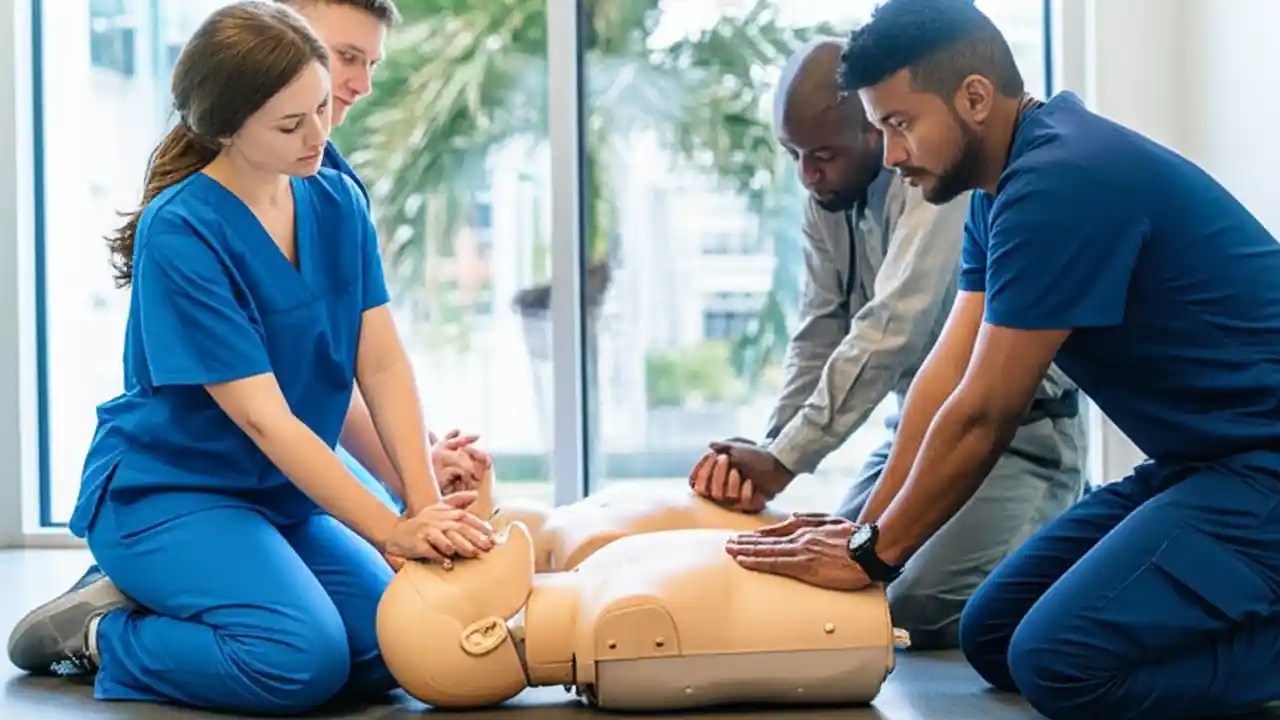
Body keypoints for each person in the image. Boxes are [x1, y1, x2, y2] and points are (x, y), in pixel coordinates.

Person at [726, 1, 1280, 718]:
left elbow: (986, 411)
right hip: (1200, 464)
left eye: (898, 124)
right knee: (995, 635)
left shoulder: (1062, 180)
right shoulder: (1001, 190)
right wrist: (865, 527)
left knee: (1058, 663)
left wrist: (873, 557)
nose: (891, 154)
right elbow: (943, 380)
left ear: (975, 98)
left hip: (1262, 466)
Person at [5, 2, 495, 714]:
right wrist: (390, 529)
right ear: (226, 128)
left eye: (323, 108)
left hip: (278, 499)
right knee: (300, 659)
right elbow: (265, 420)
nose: (320, 135)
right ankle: (106, 631)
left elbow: (381, 365)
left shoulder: (336, 201)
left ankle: (208, 598)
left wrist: (422, 506)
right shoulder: (182, 232)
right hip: (172, 497)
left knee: (399, 643)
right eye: (292, 124)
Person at [689, 37, 1085, 649]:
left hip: (1019, 439)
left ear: (873, 132)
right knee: (821, 569)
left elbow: (888, 331)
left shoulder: (938, 187)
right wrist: (770, 447)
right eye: (794, 154)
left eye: (821, 153)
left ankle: (1071, 537)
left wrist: (786, 459)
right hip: (919, 430)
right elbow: (820, 327)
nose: (807, 173)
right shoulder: (827, 193)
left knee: (906, 603)